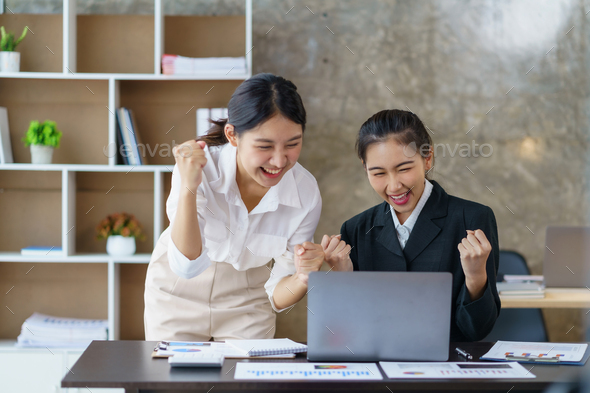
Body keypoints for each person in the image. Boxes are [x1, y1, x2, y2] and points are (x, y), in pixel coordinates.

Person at [144, 73, 324, 341]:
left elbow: (277, 296)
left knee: (248, 382)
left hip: (248, 300)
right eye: (265, 146)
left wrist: (302, 278)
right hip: (176, 293)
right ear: (233, 135)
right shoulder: (199, 169)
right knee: (175, 381)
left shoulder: (305, 193)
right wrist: (188, 187)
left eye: (293, 144)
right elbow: (186, 267)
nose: (279, 160)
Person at [321, 109, 500, 341]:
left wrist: (476, 277)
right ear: (365, 168)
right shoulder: (355, 229)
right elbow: (346, 332)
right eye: (378, 173)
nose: (394, 186)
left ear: (427, 158)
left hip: (446, 370)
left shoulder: (473, 219)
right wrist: (343, 278)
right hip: (377, 369)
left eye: (404, 169)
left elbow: (477, 331)